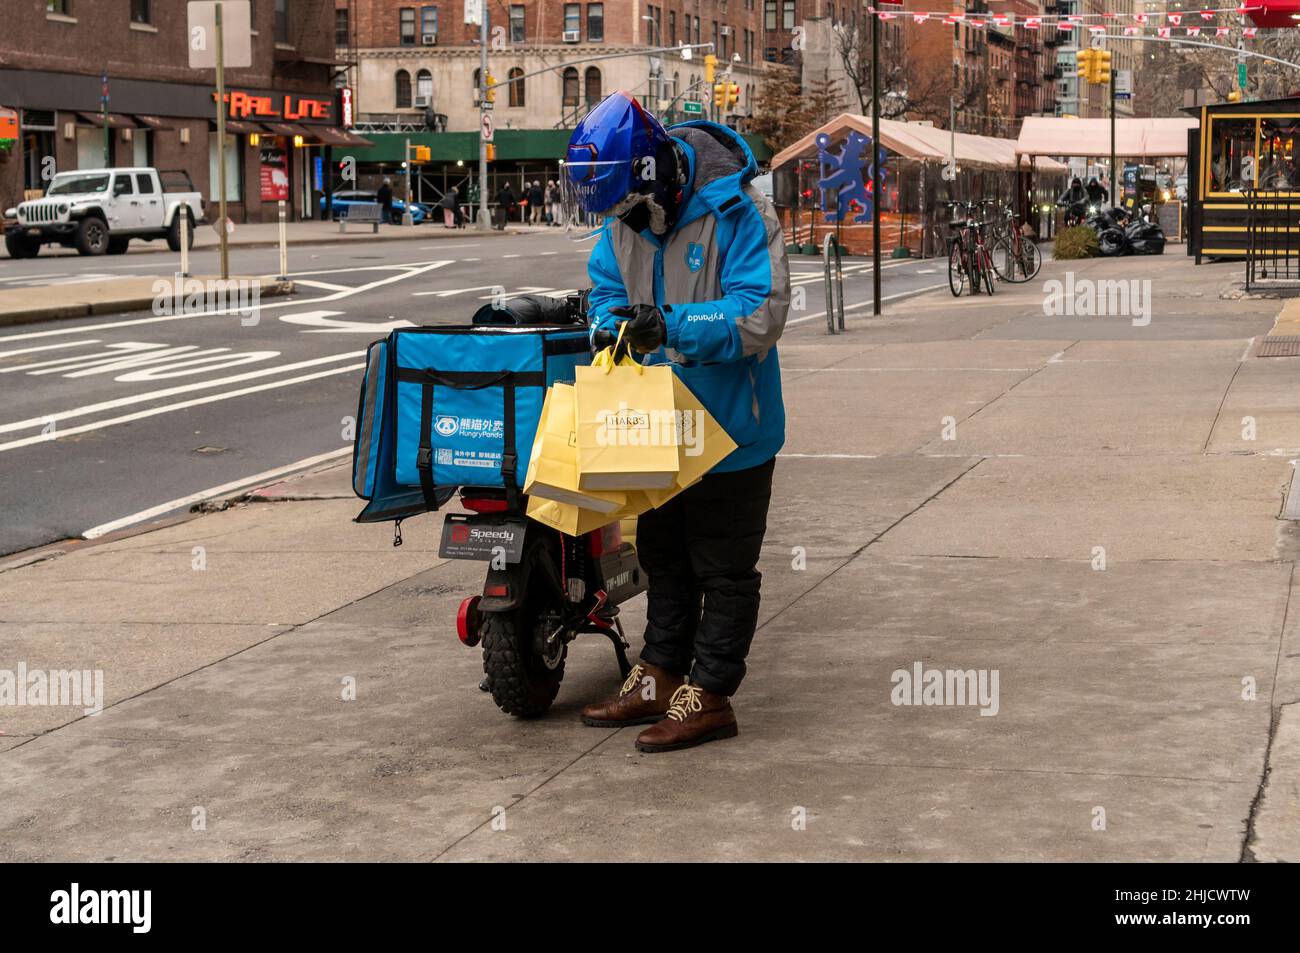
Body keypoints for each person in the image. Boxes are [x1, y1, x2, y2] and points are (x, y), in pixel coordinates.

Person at [565, 91, 790, 753]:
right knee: (664, 557)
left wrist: (674, 326)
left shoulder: (740, 207)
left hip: (730, 424)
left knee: (722, 566)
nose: (624, 223)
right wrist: (616, 325)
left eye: (629, 208)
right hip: (655, 419)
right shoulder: (623, 216)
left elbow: (763, 312)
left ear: (654, 174)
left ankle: (711, 693)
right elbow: (606, 288)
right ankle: (661, 675)